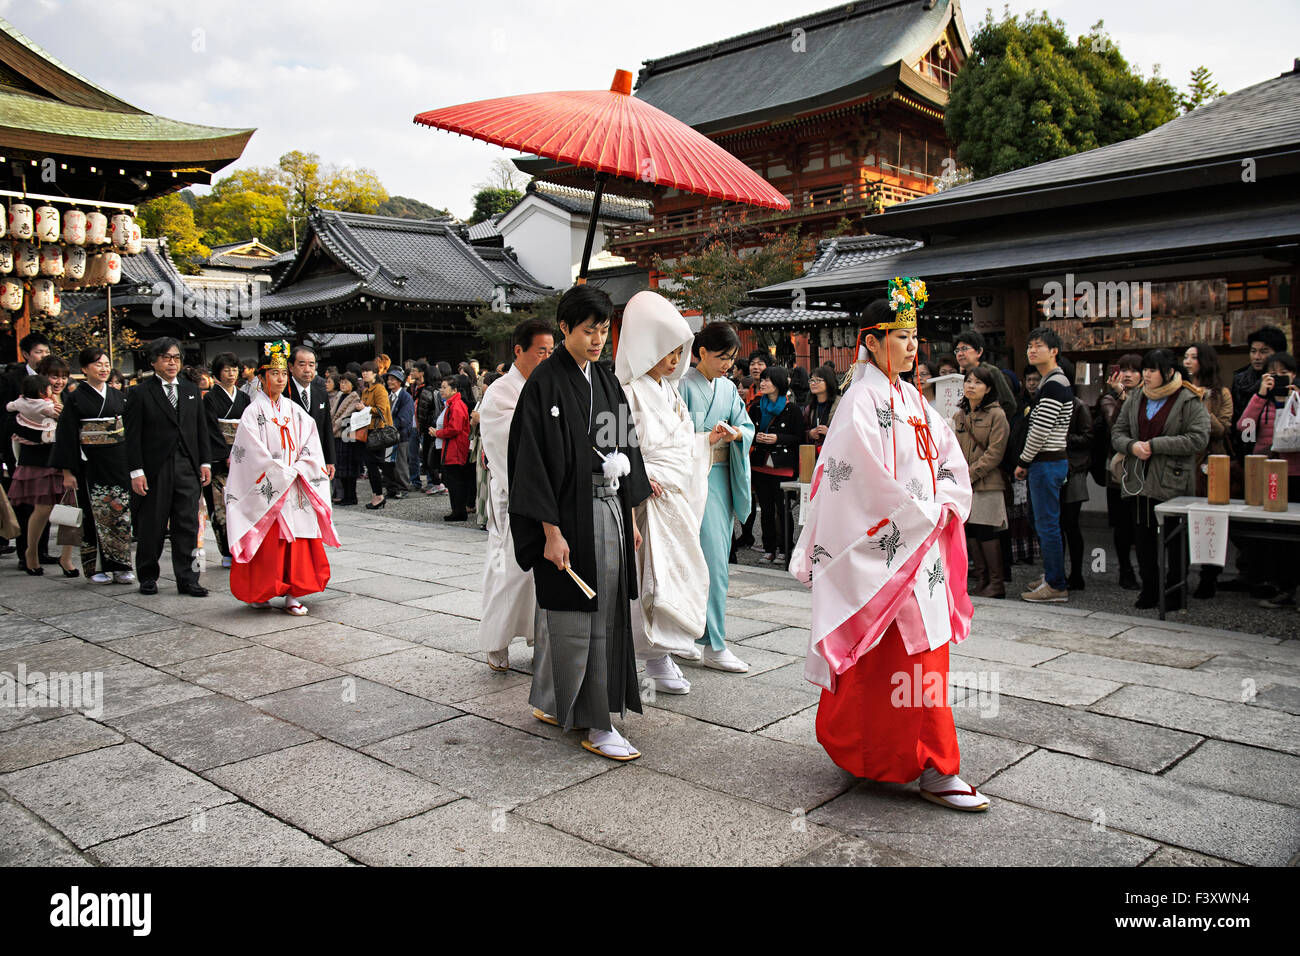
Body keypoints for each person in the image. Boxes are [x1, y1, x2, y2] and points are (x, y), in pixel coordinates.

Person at [791, 279, 986, 811]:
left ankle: (930, 764)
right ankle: (908, 762)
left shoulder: (914, 400)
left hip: (921, 550)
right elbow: (856, 484)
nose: (910, 345)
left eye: (914, 336)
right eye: (899, 336)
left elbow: (949, 459)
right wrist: (920, 513)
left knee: (922, 661)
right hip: (891, 549)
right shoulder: (860, 402)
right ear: (871, 342)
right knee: (893, 663)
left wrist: (944, 499)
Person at [507, 285, 651, 761]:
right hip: (566, 512)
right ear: (564, 327)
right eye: (588, 331)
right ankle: (595, 721)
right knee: (576, 614)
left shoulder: (606, 383)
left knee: (601, 607)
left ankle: (554, 701)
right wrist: (549, 531)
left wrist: (629, 513)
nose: (598, 341)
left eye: (604, 331)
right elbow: (532, 463)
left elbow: (623, 450)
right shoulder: (543, 384)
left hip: (608, 506)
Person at [617, 292, 719, 693]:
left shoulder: (670, 391)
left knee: (678, 575)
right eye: (667, 352)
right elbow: (614, 447)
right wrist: (638, 483)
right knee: (650, 581)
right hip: (648, 498)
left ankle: (664, 655)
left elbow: (682, 442)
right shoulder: (626, 390)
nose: (675, 361)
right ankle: (652, 659)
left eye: (680, 352)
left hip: (675, 494)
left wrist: (705, 439)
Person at [225, 342, 339, 616]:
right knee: (269, 542)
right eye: (273, 373)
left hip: (296, 482)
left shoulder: (295, 411)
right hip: (272, 485)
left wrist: (300, 467)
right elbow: (250, 453)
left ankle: (293, 594)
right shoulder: (253, 413)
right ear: (263, 376)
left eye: (282, 374)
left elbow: (312, 441)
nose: (279, 379)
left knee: (297, 541)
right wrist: (279, 472)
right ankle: (263, 592)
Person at [477, 319, 553, 671]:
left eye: (551, 352)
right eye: (541, 351)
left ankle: (540, 637)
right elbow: (506, 443)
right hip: (512, 492)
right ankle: (496, 641)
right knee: (508, 568)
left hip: (548, 490)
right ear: (518, 350)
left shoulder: (549, 386)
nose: (547, 358)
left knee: (543, 570)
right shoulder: (500, 392)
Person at [680, 320, 755, 668]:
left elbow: (747, 426)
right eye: (722, 356)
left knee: (717, 559)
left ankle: (707, 638)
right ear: (702, 352)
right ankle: (707, 640)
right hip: (695, 477)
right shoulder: (684, 387)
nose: (727, 364)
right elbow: (674, 437)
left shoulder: (727, 389)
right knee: (703, 561)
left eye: (732, 358)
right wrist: (703, 439)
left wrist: (737, 433)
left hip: (722, 478)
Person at [1112, 349, 1210, 611]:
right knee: (1143, 538)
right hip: (1139, 479)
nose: (1146, 374)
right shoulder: (1136, 398)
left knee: (1176, 539)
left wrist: (1156, 444)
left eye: (1152, 370)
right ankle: (1150, 589)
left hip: (1173, 480)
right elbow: (1118, 432)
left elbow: (1198, 438)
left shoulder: (1188, 398)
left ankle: (1176, 590)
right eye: (1145, 369)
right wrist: (1132, 446)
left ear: (1167, 372)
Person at [125, 337, 212, 596]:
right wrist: (136, 471)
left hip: (187, 465)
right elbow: (132, 436)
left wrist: (204, 462)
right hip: (155, 467)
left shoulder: (190, 390)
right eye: (165, 357)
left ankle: (188, 578)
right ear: (153, 362)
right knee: (152, 523)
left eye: (176, 357)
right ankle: (148, 576)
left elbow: (200, 429)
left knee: (187, 524)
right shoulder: (139, 393)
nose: (172, 362)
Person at [52, 347, 134, 584]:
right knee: (92, 515)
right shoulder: (76, 398)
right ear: (85, 369)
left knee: (120, 513)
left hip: (118, 462)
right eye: (98, 364)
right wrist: (67, 471)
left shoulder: (119, 396)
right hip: (90, 465)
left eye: (107, 364)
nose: (104, 368)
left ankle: (121, 565)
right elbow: (66, 436)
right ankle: (95, 567)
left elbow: (129, 432)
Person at [1014, 328, 1074, 603]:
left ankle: (1056, 584)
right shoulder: (1051, 381)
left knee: (1047, 525)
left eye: (1038, 346)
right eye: (1029, 346)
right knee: (1046, 523)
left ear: (1054, 351)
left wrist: (1023, 461)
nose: (1032, 350)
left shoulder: (1053, 384)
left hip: (1047, 463)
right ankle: (1052, 575)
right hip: (1049, 462)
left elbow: (1039, 430)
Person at [1236, 352, 1300, 608]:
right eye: (1273, 374)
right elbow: (1244, 427)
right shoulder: (1264, 401)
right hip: (1266, 470)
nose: (1279, 378)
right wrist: (1261, 394)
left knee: (1294, 533)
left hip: (1295, 472)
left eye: (1284, 373)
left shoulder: (1297, 400)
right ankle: (1276, 583)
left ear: (1294, 374)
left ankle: (1291, 585)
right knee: (1272, 532)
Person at [953, 365, 1008, 598]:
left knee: (987, 531)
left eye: (977, 383)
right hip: (965, 484)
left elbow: (995, 454)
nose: (971, 386)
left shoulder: (997, 415)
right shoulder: (959, 416)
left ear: (988, 389)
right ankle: (982, 579)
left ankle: (997, 583)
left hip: (988, 483)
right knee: (971, 531)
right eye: (968, 381)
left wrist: (970, 473)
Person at [7, 373, 68, 575]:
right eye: (54, 378)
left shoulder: (68, 397)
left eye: (64, 377)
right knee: (42, 508)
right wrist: (40, 437)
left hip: (67, 459)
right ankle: (31, 552)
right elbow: (11, 422)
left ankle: (66, 558)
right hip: (40, 461)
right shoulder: (36, 402)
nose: (59, 382)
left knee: (72, 510)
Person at [2, 332, 54, 564]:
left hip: (50, 448)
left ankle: (41, 550)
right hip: (22, 447)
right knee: (26, 501)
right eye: (38, 352)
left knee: (47, 498)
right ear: (26, 354)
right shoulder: (11, 379)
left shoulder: (53, 377)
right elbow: (6, 416)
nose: (44, 356)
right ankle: (26, 551)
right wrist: (33, 435)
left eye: (46, 351)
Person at [748, 365, 804, 564]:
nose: (762, 383)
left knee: (783, 509)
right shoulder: (756, 408)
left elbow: (799, 437)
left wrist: (777, 438)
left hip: (783, 466)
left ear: (778, 383)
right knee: (766, 509)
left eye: (767, 380)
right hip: (760, 465)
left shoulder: (792, 409)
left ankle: (785, 548)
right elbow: (747, 433)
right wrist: (758, 437)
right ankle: (769, 547)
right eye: (762, 380)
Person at [1096, 354, 1143, 590]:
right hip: (1119, 471)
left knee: (1143, 524)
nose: (1127, 375)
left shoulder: (1151, 398)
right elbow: (1117, 429)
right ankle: (1126, 570)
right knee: (1123, 525)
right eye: (1123, 370)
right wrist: (1122, 396)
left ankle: (1148, 570)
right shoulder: (1109, 399)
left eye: (1134, 370)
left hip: (1145, 469)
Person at [202, 353, 250, 569]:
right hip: (220, 459)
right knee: (221, 506)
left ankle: (243, 546)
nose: (231, 374)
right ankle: (227, 551)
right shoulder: (210, 399)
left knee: (242, 505)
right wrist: (226, 453)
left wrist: (241, 452)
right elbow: (210, 429)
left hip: (241, 458)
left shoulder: (244, 398)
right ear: (218, 373)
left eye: (234, 369)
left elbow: (249, 429)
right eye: (226, 370)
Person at [1231, 326, 1287, 454]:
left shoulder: (1288, 381)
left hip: (1285, 449)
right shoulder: (1241, 381)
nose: (1257, 357)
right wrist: (1244, 452)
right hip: (1251, 450)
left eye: (1263, 351)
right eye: (1253, 351)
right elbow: (1240, 422)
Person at [1061, 391, 1093, 592]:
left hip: (1075, 470)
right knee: (1056, 526)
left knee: (1071, 524)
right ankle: (1058, 573)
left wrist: (1063, 437)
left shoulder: (1077, 405)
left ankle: (1077, 574)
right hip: (1056, 467)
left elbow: (1088, 437)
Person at [434, 373, 474, 521]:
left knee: (456, 481)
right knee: (454, 481)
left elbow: (455, 429)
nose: (442, 390)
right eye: (441, 387)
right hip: (452, 447)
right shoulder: (453, 404)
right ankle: (457, 510)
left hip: (455, 448)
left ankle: (459, 511)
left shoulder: (456, 405)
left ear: (454, 389)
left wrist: (437, 433)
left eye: (445, 387)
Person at [954, 330, 1017, 416]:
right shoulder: (960, 376)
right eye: (957, 350)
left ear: (979, 351)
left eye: (964, 349)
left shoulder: (991, 372)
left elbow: (1009, 404)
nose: (960, 354)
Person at [358, 361, 392, 509]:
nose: (364, 374)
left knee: (373, 464)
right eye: (363, 371)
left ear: (375, 373)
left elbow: (381, 410)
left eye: (368, 371)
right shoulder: (366, 390)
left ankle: (379, 495)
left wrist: (365, 408)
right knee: (370, 464)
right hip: (367, 429)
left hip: (378, 430)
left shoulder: (379, 389)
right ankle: (377, 494)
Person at [331, 373, 364, 506]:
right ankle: (345, 495)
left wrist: (332, 429)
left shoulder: (355, 397)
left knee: (349, 467)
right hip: (338, 434)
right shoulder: (338, 395)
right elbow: (332, 412)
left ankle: (351, 496)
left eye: (346, 382)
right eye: (341, 382)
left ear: (352, 384)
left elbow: (345, 415)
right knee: (341, 467)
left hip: (347, 433)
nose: (343, 385)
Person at [384, 367, 414, 499]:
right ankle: (392, 487)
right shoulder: (388, 396)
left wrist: (389, 424)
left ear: (399, 382)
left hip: (401, 435)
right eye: (389, 379)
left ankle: (403, 487)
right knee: (388, 462)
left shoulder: (405, 397)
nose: (389, 382)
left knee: (400, 462)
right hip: (388, 435)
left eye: (392, 379)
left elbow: (405, 417)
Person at [804, 364, 840, 455]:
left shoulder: (841, 405)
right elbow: (802, 430)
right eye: (811, 380)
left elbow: (849, 431)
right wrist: (810, 434)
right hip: (815, 455)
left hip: (835, 454)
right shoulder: (810, 408)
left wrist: (829, 432)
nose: (813, 383)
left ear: (828, 382)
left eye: (818, 380)